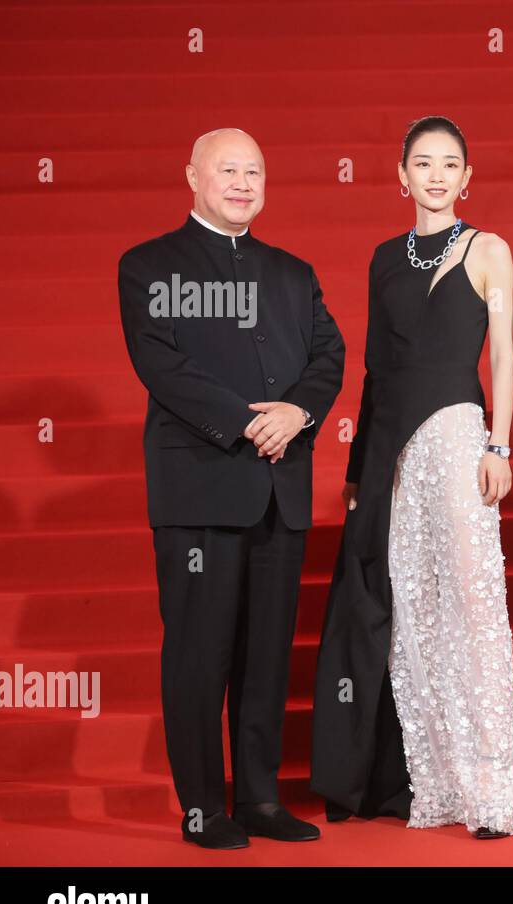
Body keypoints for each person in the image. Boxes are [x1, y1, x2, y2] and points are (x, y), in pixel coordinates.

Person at [117, 128, 345, 849]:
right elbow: (163, 367)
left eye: (254, 171)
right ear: (193, 175)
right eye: (227, 170)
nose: (242, 182)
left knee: (266, 654)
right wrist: (248, 424)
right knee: (199, 652)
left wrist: (298, 413)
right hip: (201, 489)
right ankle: (202, 810)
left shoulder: (292, 271)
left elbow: (329, 353)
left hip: (280, 489)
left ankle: (259, 799)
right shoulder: (150, 264)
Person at [310, 115, 513, 839]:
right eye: (423, 163)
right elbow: (375, 371)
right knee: (414, 618)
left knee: (474, 606)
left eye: (450, 164)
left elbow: (503, 357)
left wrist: (499, 445)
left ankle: (493, 786)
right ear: (399, 175)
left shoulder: (490, 249)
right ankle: (436, 782)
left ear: (468, 178)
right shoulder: (381, 260)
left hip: (460, 437)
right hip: (393, 457)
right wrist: (356, 467)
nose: (436, 176)